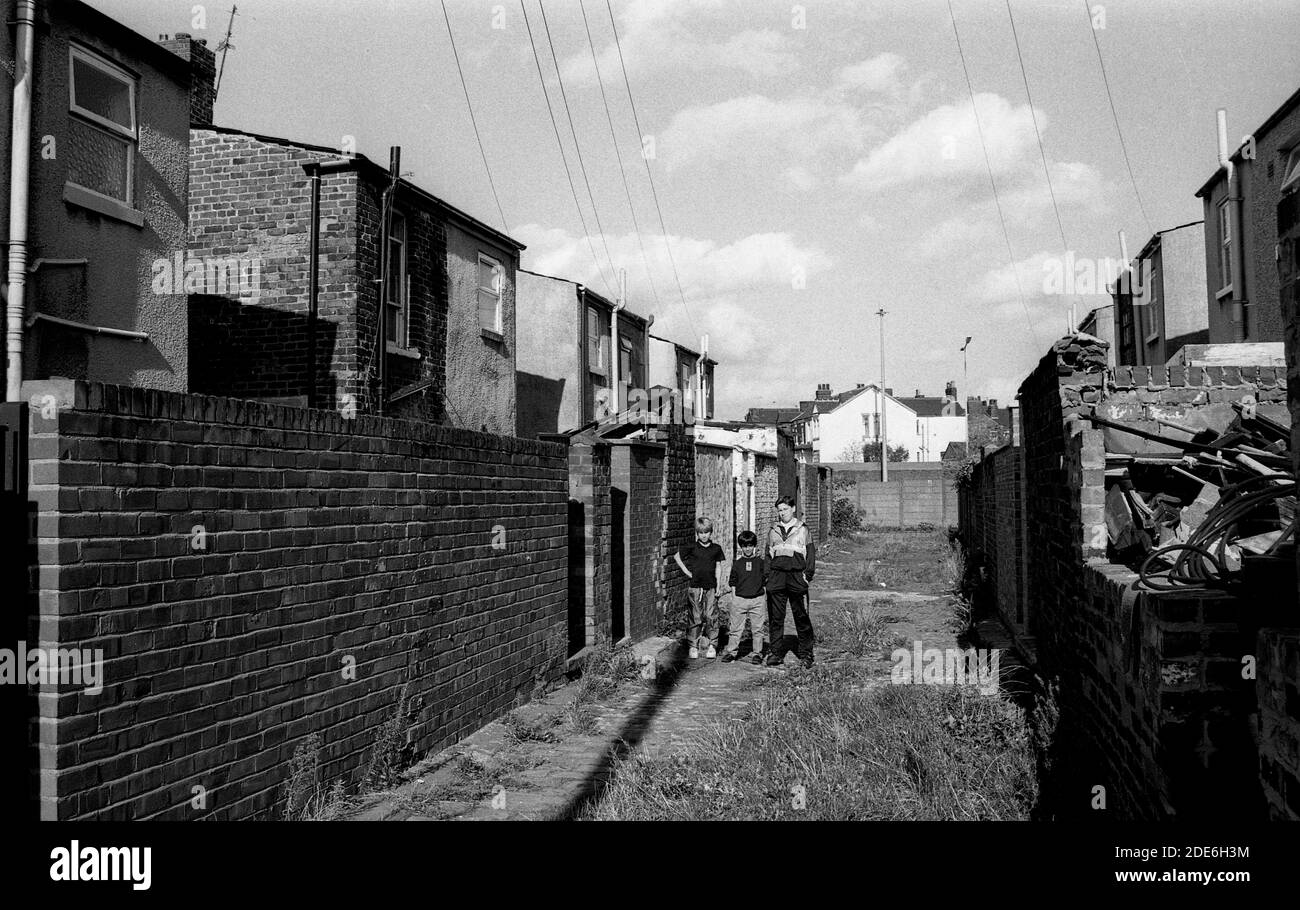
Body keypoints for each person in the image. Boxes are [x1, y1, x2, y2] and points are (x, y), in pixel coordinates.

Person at [764, 495, 816, 668]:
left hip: (796, 576)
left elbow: (810, 555)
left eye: (785, 509)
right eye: (779, 510)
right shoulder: (773, 530)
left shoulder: (803, 529)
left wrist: (807, 576)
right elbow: (767, 555)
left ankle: (806, 654)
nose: (782, 513)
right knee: (776, 617)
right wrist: (767, 577)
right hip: (777, 577)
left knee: (801, 616)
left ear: (793, 509)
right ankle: (776, 653)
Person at [674, 517, 725, 659]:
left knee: (710, 616)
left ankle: (712, 645)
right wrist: (688, 573)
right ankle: (693, 646)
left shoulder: (716, 549)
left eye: (707, 532)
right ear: (697, 533)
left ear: (711, 532)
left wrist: (719, 586)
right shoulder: (692, 547)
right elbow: (677, 557)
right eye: (701, 532)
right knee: (695, 616)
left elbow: (719, 567)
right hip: (695, 587)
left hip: (711, 587)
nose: (704, 535)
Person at [722, 530, 767, 664]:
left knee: (758, 629)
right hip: (740, 600)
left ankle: (757, 653)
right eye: (745, 546)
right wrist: (735, 598)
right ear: (741, 547)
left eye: (750, 545)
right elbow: (733, 581)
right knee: (735, 628)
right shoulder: (737, 563)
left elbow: (765, 580)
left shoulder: (760, 563)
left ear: (755, 546)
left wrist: (762, 597)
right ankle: (731, 652)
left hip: (757, 600)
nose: (748, 549)